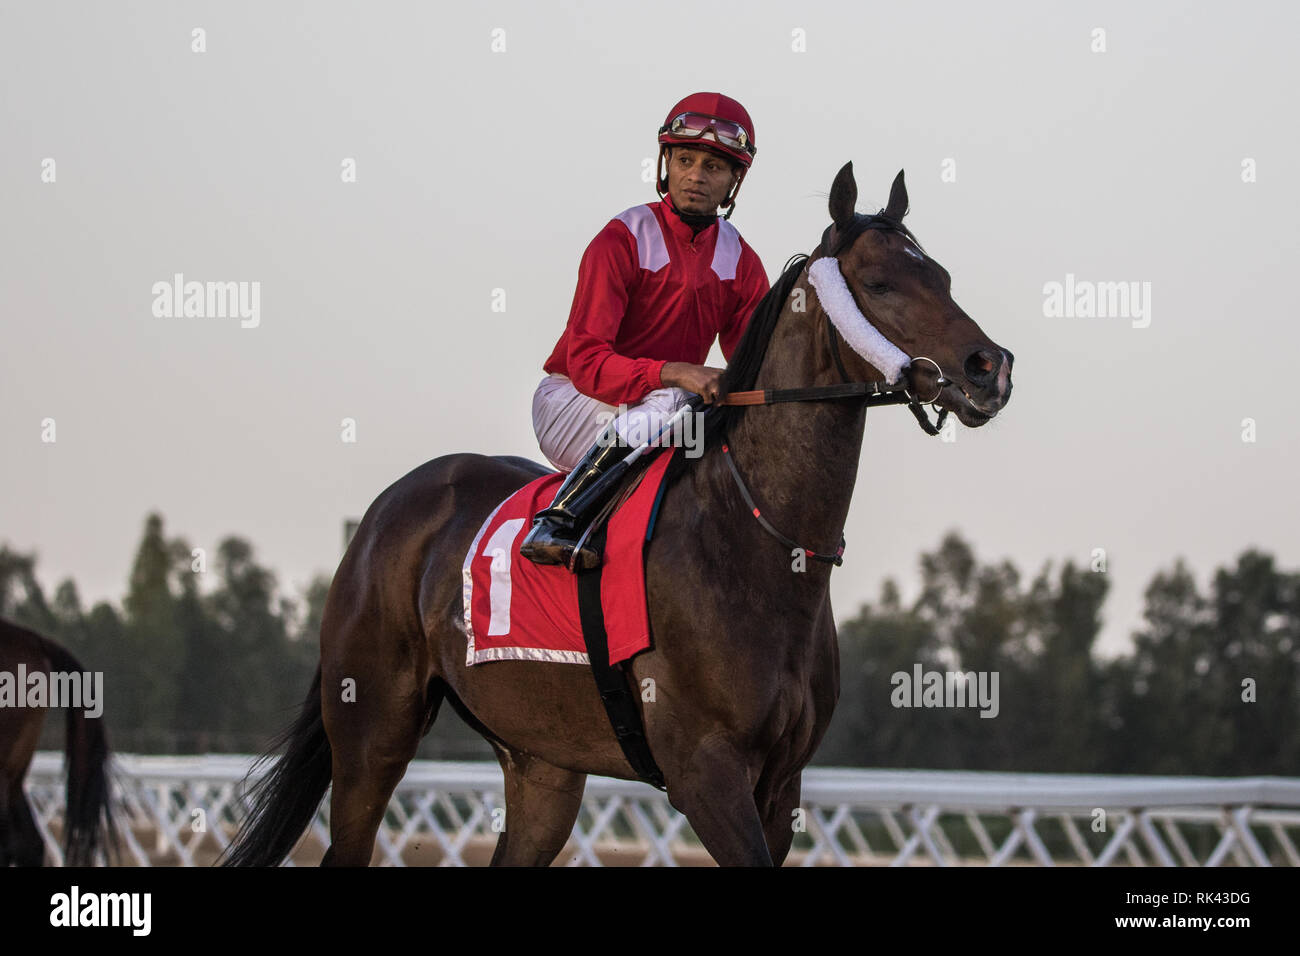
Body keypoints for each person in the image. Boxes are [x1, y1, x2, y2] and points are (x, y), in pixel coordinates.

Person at [520, 92, 770, 570]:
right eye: (685, 159)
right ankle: (559, 518)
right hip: (574, 402)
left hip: (658, 414)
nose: (696, 175)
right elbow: (588, 363)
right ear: (666, 164)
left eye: (714, 167)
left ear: (734, 180)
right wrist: (675, 373)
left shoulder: (742, 262)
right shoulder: (622, 239)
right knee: (679, 402)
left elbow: (752, 371)